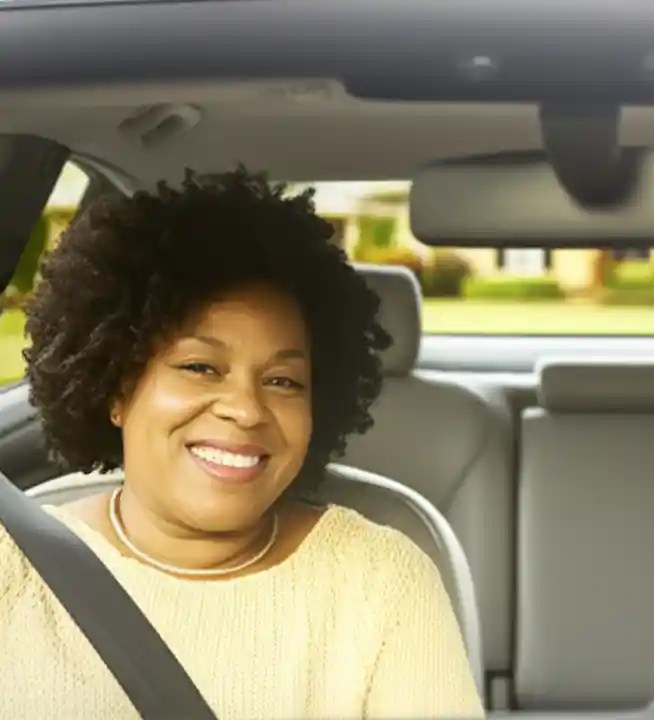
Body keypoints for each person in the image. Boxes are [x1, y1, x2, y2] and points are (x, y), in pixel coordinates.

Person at [0, 169, 484, 718]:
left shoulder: (382, 582)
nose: (247, 410)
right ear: (115, 387)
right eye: (200, 367)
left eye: (282, 381)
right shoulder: (14, 567)